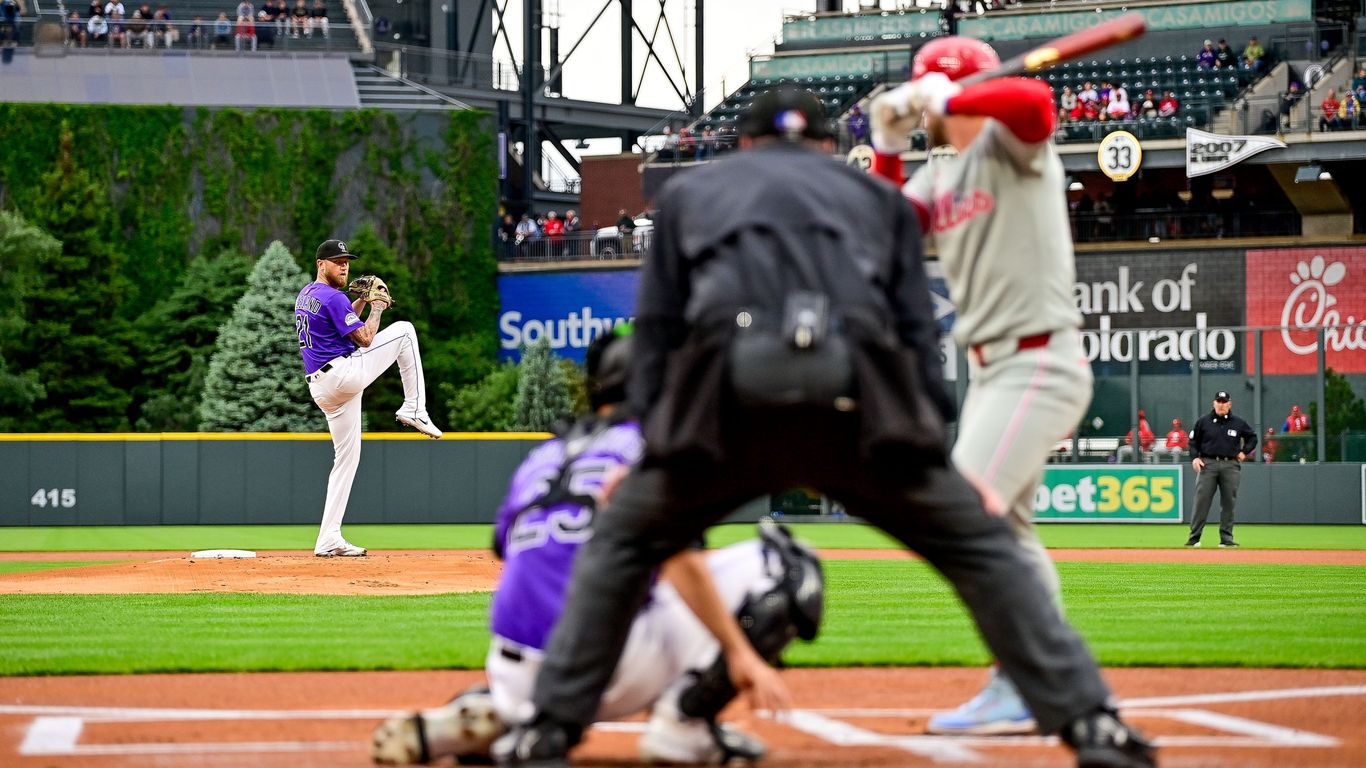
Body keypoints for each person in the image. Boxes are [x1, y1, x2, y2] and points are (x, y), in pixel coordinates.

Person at [493, 85, 1154, 768]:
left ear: (744, 144)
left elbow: (658, 338)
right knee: (985, 549)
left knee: (624, 539)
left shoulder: (691, 196)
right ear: (828, 147)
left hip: (728, 406)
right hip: (856, 401)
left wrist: (651, 450)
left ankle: (547, 728)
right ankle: (1093, 724)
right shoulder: (877, 200)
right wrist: (933, 455)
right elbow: (913, 333)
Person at [372, 328, 821, 765]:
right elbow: (680, 559)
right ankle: (683, 729)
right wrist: (741, 654)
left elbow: (505, 547)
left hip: (511, 664)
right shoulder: (649, 447)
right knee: (787, 566)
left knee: (612, 579)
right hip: (597, 670)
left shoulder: (546, 454)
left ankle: (506, 709)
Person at [868, 37, 1113, 741]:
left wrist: (955, 95)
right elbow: (880, 234)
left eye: (929, 95)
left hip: (1038, 360)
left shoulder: (1015, 147)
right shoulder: (939, 176)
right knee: (1005, 531)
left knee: (966, 513)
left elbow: (1035, 103)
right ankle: (1038, 679)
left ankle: (1030, 679)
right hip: (991, 372)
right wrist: (888, 148)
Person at [295, 239, 442, 558]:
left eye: (346, 260)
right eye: (337, 261)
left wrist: (359, 302)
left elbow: (342, 323)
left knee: (346, 459)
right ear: (321, 264)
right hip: (342, 375)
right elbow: (363, 338)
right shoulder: (333, 297)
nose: (344, 265)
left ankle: (328, 537)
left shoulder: (308, 294)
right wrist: (376, 306)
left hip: (324, 388)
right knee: (404, 331)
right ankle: (414, 407)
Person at [1185, 391, 1256, 548]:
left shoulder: (1238, 422)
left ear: (1230, 404)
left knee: (1228, 502)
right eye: (1219, 401)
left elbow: (1253, 437)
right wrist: (1195, 457)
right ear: (1214, 403)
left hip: (1230, 464)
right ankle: (1194, 537)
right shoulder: (1204, 421)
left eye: (1224, 401)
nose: (1221, 404)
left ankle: (1226, 538)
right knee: (1201, 501)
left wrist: (1244, 452)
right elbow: (1193, 441)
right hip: (1208, 463)